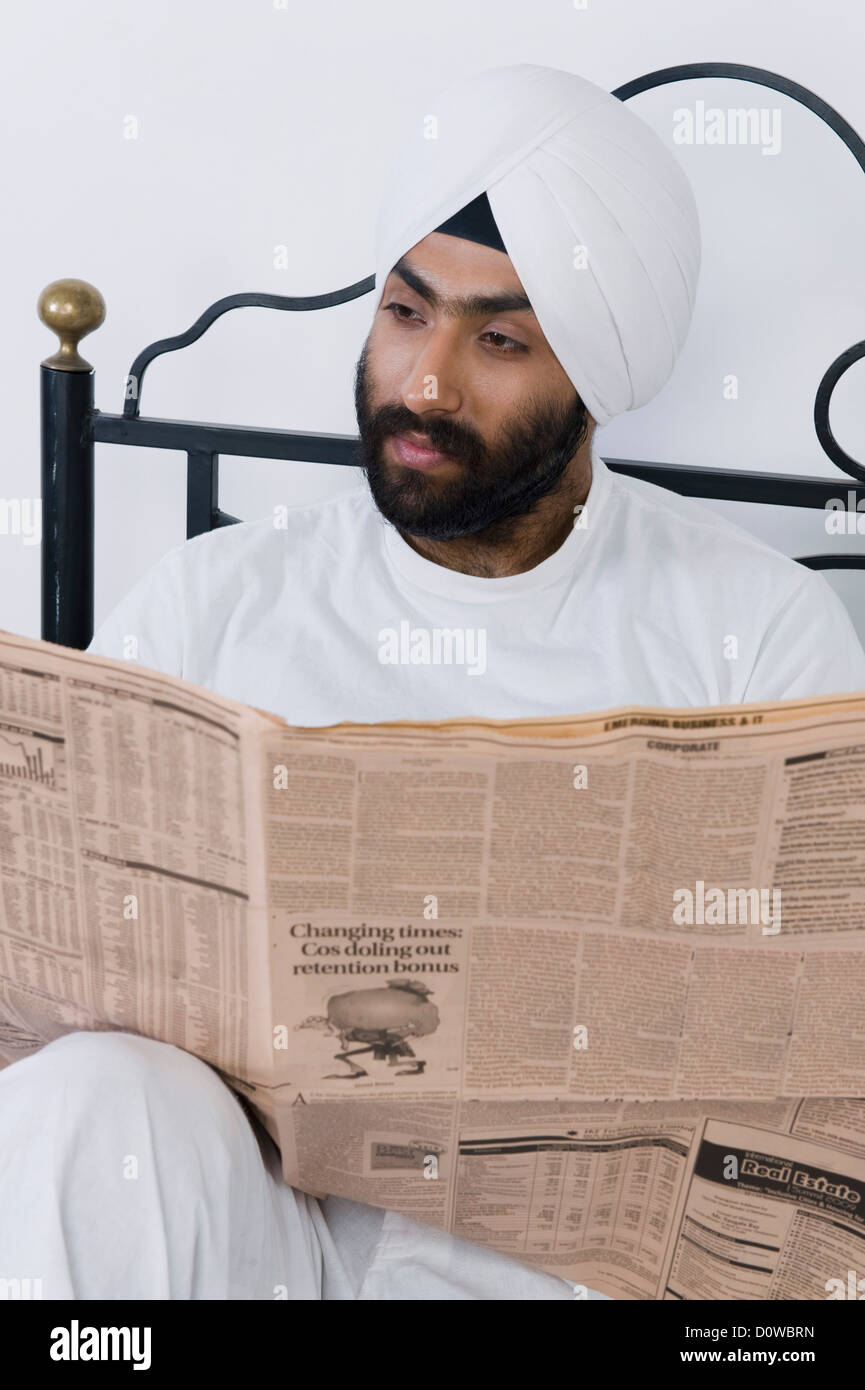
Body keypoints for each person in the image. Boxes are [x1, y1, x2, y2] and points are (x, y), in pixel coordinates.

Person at [3, 62, 864, 1302]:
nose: (424, 383)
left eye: (499, 339)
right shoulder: (214, 598)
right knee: (88, 1100)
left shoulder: (755, 631)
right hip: (263, 1234)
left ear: (597, 376)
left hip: (563, 1269)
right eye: (406, 314)